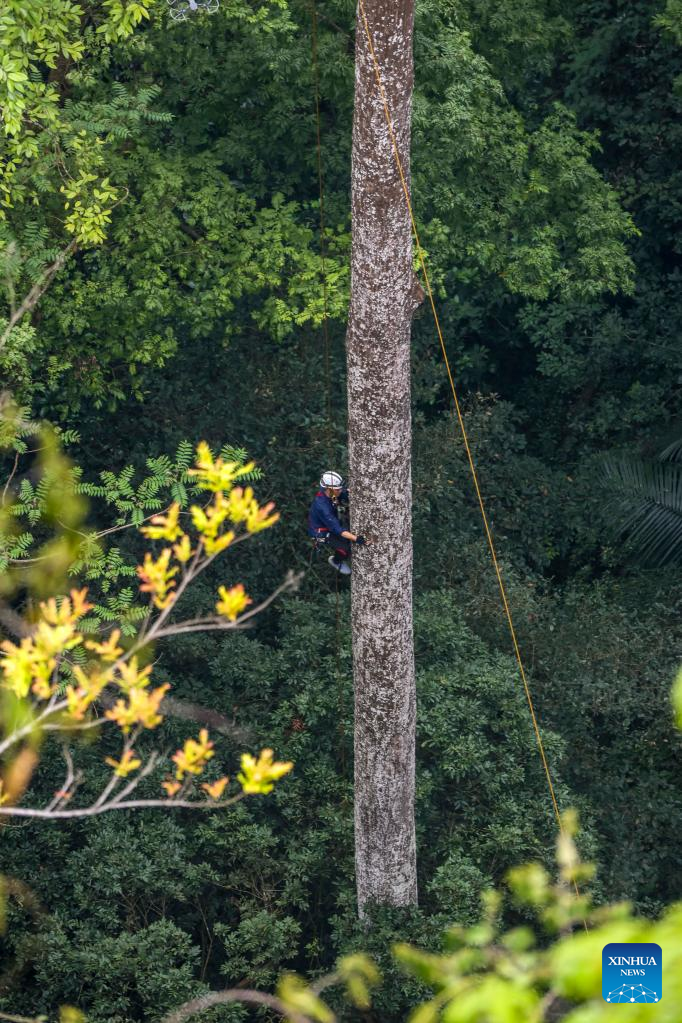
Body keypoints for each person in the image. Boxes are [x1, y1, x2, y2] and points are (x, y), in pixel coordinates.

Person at [307, 471, 365, 575]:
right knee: (346, 547)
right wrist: (357, 538)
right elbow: (337, 529)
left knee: (347, 529)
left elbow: (343, 494)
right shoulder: (322, 507)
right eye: (338, 489)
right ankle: (336, 561)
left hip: (330, 524)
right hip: (321, 533)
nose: (340, 490)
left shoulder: (330, 493)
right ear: (329, 489)